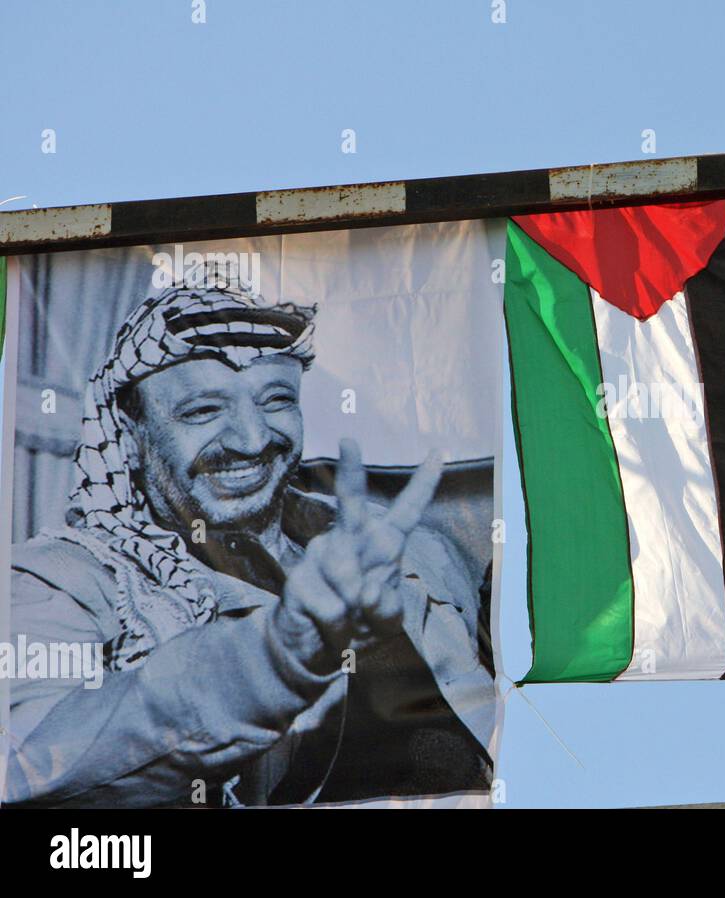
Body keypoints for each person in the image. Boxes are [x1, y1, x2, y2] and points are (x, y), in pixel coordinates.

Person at [5, 277, 494, 807]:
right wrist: (280, 654)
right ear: (131, 433)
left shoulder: (414, 556)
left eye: (275, 400)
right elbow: (31, 764)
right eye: (203, 411)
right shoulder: (62, 582)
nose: (252, 439)